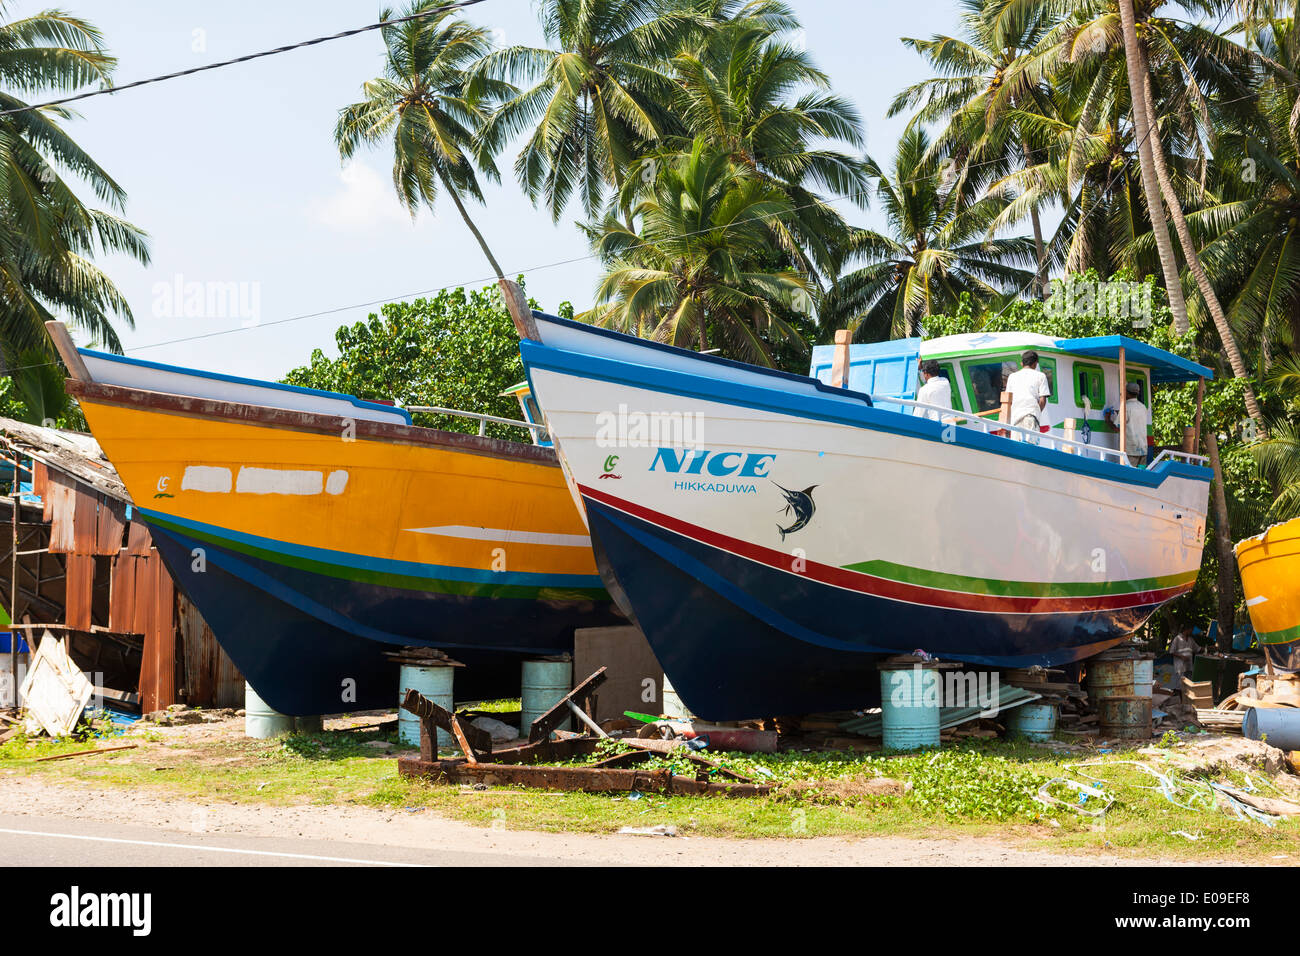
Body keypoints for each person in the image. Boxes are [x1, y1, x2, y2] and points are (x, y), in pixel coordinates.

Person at [1004, 350, 1051, 441]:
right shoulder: (1041, 376)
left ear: (1022, 363)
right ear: (1035, 363)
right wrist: (1036, 412)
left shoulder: (1012, 377)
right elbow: (1042, 400)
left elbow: (1008, 399)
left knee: (1016, 446)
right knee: (1030, 445)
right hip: (1031, 415)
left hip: (1015, 416)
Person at [1105, 381, 1150, 466]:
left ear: (1126, 392)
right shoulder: (1142, 407)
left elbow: (1117, 428)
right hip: (1143, 449)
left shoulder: (1125, 407)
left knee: (1129, 474)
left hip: (1130, 450)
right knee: (1140, 475)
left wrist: (1107, 419)